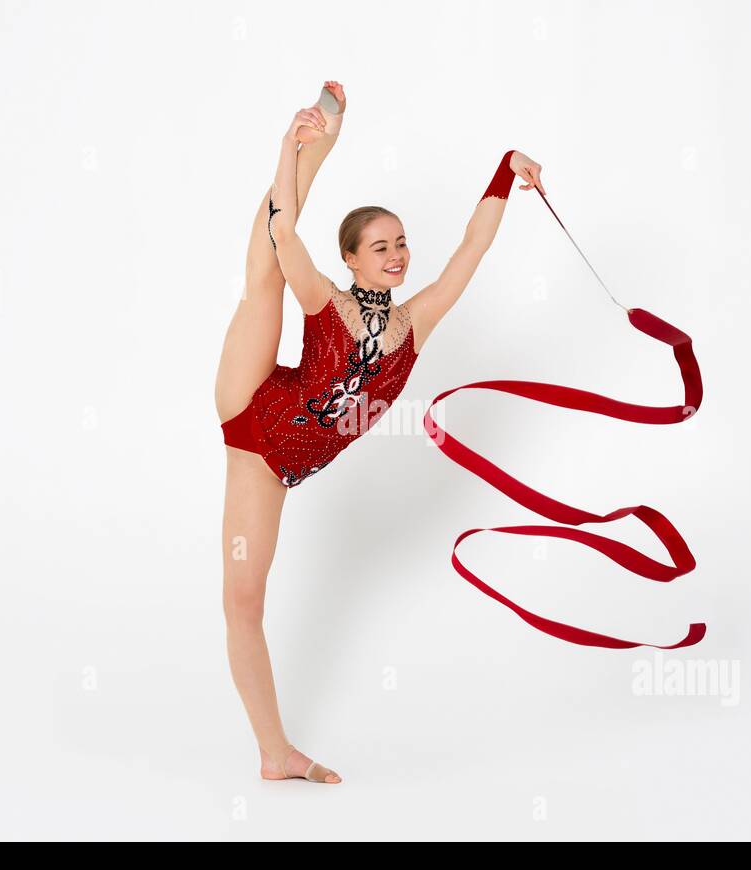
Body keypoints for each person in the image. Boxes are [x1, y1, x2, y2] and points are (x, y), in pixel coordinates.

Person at [214, 81, 545, 783]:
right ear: (354, 260)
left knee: (247, 601)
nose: (397, 254)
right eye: (381, 246)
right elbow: (282, 233)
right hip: (253, 417)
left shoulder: (413, 327)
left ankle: (276, 756)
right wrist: (288, 150)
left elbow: (471, 250)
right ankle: (316, 138)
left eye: (401, 244)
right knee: (264, 273)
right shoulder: (326, 302)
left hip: (284, 465)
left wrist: (507, 168)